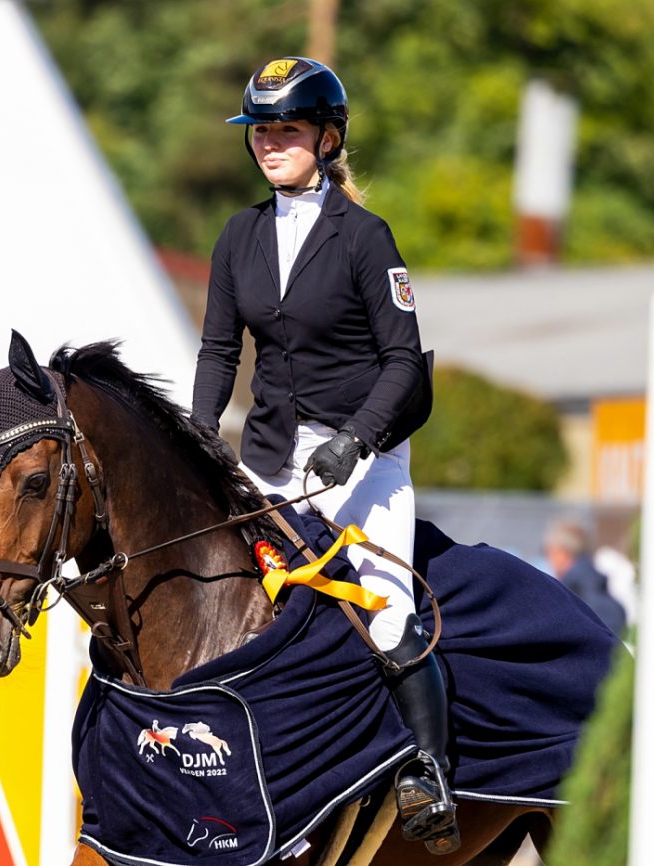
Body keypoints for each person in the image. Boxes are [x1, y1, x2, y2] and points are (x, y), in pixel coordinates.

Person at [190, 57, 455, 854]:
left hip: (363, 457)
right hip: (269, 454)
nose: (270, 143)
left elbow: (405, 362)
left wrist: (357, 441)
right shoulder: (239, 235)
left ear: (327, 137)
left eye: (287, 130)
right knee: (238, 612)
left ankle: (429, 772)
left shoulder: (365, 238)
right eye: (261, 132)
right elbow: (215, 350)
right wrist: (199, 435)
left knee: (383, 613)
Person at [542, 518, 627, 637]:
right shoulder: (606, 595)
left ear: (560, 552)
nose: (548, 559)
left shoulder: (566, 597)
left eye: (547, 552)